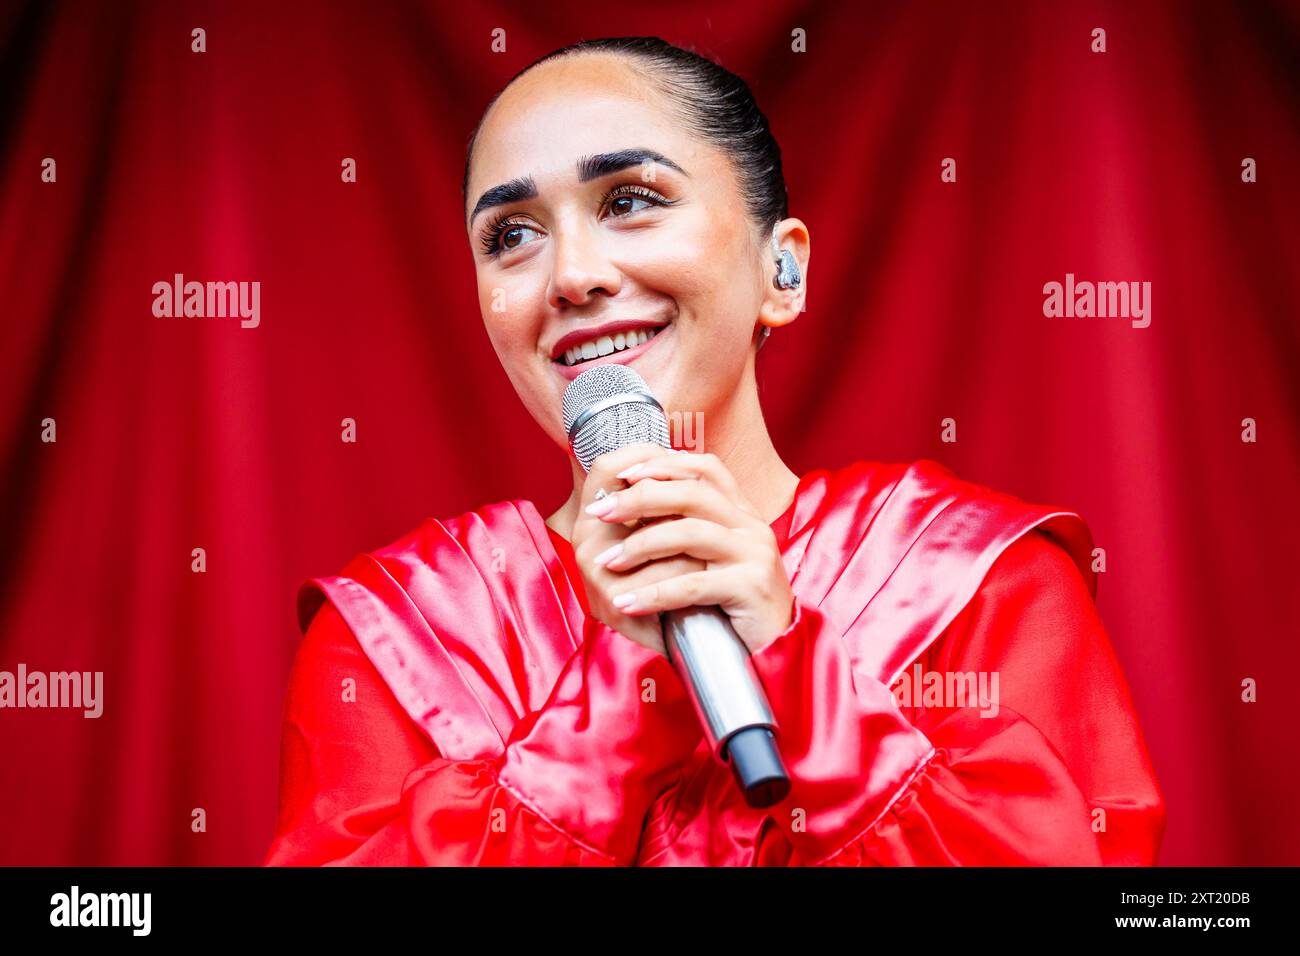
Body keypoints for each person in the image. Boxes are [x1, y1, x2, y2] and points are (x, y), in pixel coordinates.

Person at [263, 36, 1166, 866]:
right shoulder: (394, 635)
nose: (572, 274)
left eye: (631, 201)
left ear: (785, 270)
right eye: (512, 236)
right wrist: (616, 691)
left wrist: (796, 668)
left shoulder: (983, 583)